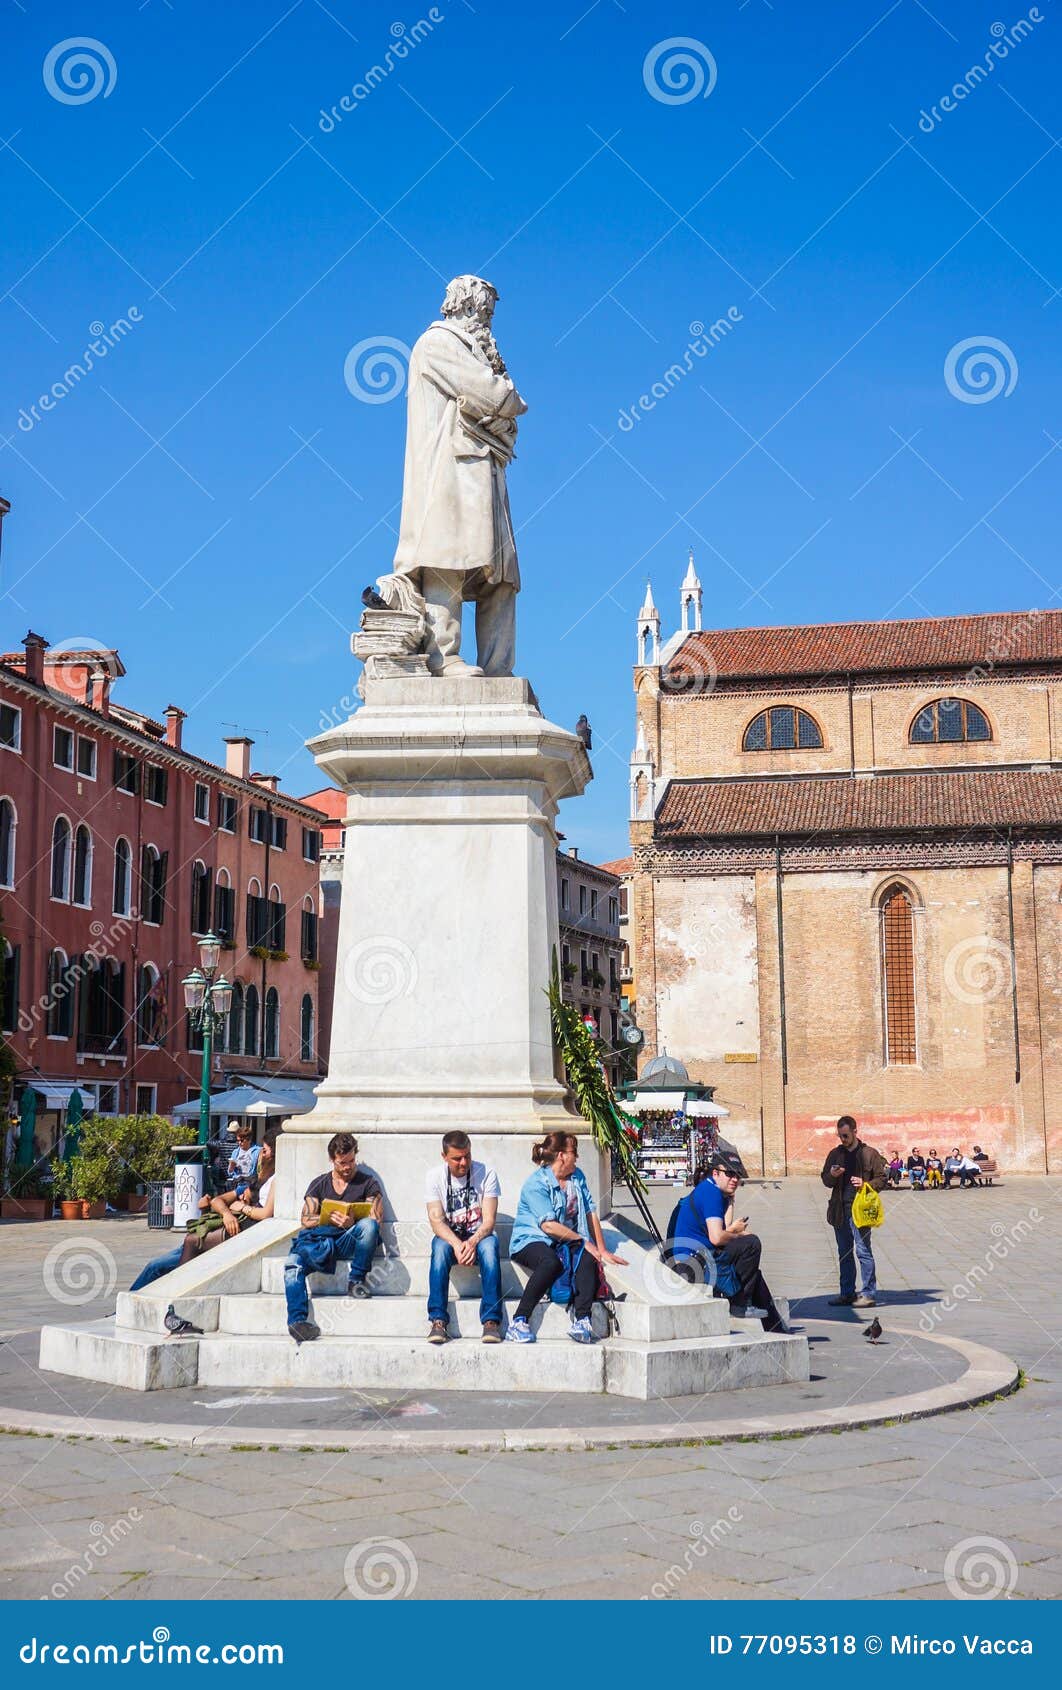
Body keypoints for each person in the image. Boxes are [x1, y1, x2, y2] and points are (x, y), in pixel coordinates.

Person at [505, 1132, 627, 1345]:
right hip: (531, 1239)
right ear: (561, 1155)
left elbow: (590, 1211)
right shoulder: (536, 1183)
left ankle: (583, 1320)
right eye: (574, 1152)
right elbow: (548, 1225)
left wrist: (601, 1248)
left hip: (564, 1239)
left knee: (588, 1258)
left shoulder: (577, 1176)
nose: (577, 1157)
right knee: (550, 1262)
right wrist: (582, 1241)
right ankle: (519, 1320)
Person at [129, 1129, 278, 1292]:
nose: (260, 1155)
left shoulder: (274, 1181)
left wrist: (241, 1207)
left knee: (157, 1266)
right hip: (214, 1226)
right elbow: (217, 1200)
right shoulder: (254, 1182)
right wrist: (227, 1213)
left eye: (264, 1150)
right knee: (158, 1264)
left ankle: (173, 1294)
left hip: (224, 1233)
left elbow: (264, 1214)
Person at [667, 1152, 791, 1334]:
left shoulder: (710, 1190)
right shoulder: (711, 1193)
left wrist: (731, 1203)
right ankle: (739, 1303)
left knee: (755, 1275)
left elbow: (722, 1228)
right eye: (730, 1174)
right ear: (715, 1173)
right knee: (752, 1244)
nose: (735, 1179)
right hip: (694, 1264)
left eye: (738, 1175)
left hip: (696, 1259)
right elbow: (717, 1237)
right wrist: (738, 1236)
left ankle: (776, 1331)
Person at [284, 1133, 383, 1343]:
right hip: (320, 1241)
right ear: (332, 1160)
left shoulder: (368, 1183)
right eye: (342, 1163)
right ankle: (297, 1322)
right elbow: (305, 1219)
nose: (347, 1167)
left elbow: (376, 1218)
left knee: (369, 1226)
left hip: (349, 1239)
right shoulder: (319, 1184)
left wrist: (352, 1222)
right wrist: (328, 1218)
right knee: (293, 1265)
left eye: (351, 1161)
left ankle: (356, 1280)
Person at [424, 1130, 503, 1345]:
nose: (463, 1162)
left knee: (490, 1247)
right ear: (444, 1157)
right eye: (456, 1158)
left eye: (467, 1156)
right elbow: (436, 1222)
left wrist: (471, 1242)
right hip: (451, 1237)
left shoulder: (487, 1173)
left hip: (478, 1235)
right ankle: (438, 1320)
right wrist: (458, 1245)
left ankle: (491, 1322)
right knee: (439, 1249)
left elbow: (488, 1222)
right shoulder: (434, 1177)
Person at [821, 1115, 888, 1309]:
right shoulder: (835, 1154)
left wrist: (865, 1184)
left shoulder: (869, 1154)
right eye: (840, 1136)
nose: (843, 1139)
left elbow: (882, 1179)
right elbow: (825, 1179)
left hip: (860, 1210)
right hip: (839, 1210)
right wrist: (832, 1175)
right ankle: (847, 1293)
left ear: (855, 1132)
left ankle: (868, 1294)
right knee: (844, 1253)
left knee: (863, 1251)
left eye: (846, 1135)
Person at [225, 1122, 260, 1196]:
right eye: (238, 1141)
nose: (239, 1143)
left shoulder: (257, 1151)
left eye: (242, 1140)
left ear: (249, 1140)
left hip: (250, 1184)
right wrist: (231, 1167)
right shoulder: (235, 1152)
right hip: (237, 1183)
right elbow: (230, 1173)